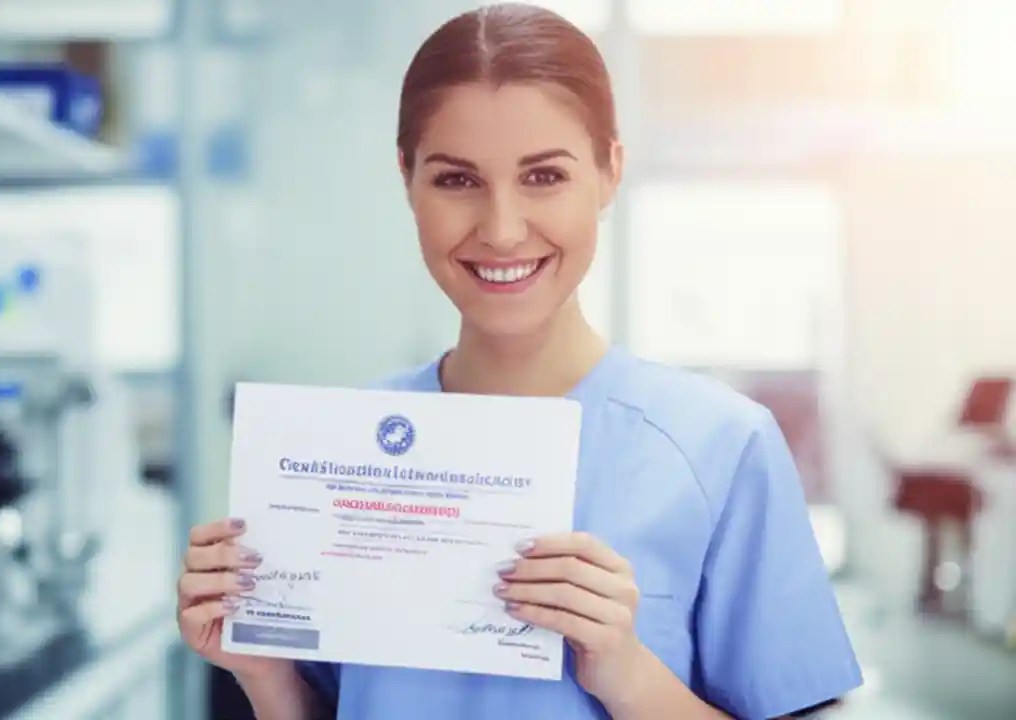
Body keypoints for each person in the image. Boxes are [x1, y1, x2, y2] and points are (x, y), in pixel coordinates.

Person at [176, 3, 863, 719]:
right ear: (406, 179)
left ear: (609, 173)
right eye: (457, 180)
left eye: (543, 177)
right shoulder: (342, 457)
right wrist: (265, 676)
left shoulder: (720, 448)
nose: (502, 230)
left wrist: (626, 673)